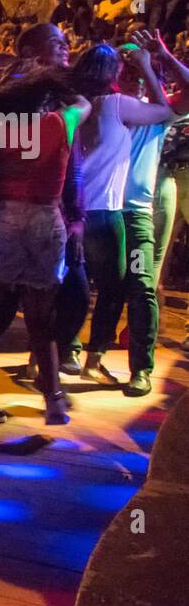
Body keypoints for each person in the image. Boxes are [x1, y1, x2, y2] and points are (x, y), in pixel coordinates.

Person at [0, 71, 91, 437]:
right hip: (48, 223)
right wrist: (55, 83)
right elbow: (83, 103)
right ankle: (54, 399)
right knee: (41, 321)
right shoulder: (61, 123)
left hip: (4, 222)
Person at [66, 42, 174, 386]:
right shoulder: (117, 106)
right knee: (111, 289)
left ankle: (50, 358)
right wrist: (148, 65)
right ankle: (91, 359)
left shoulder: (71, 105)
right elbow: (164, 110)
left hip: (73, 210)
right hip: (105, 213)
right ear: (114, 74)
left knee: (70, 285)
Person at [118, 31, 189, 395]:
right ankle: (80, 352)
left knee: (142, 282)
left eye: (135, 70)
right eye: (124, 68)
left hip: (137, 211)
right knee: (92, 284)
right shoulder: (100, 107)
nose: (129, 74)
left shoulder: (155, 114)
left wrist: (156, 57)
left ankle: (140, 367)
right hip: (102, 212)